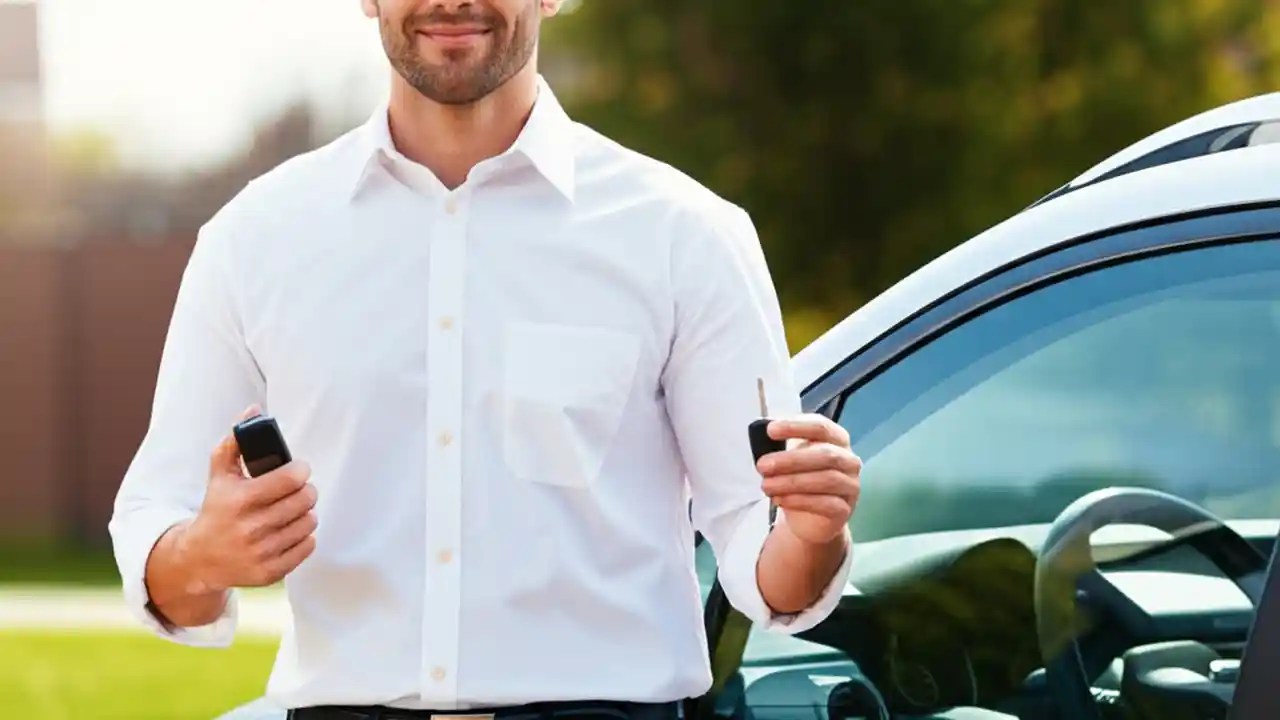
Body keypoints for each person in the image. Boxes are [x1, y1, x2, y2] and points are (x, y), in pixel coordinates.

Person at [108, 1, 863, 718]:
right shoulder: (255, 240)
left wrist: (814, 534)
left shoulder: (684, 235)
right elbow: (157, 521)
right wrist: (204, 555)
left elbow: (765, 566)